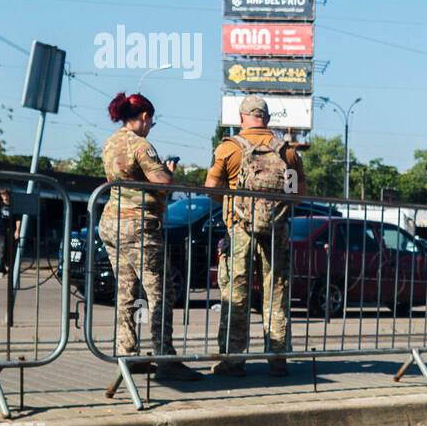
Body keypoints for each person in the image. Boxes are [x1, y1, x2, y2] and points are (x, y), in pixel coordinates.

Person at [98, 92, 200, 382]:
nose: (150, 126)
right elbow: (163, 184)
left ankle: (127, 354)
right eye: (151, 121)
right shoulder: (141, 145)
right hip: (138, 226)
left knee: (126, 292)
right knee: (161, 293)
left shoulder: (110, 143)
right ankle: (165, 358)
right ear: (144, 117)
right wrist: (168, 172)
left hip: (111, 223)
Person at [205, 95, 305, 377]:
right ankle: (278, 359)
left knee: (236, 294)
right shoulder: (287, 152)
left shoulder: (229, 149)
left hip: (240, 230)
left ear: (241, 118)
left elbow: (210, 188)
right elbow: (298, 194)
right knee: (276, 294)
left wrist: (235, 203)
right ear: (267, 119)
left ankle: (233, 361)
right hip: (277, 231)